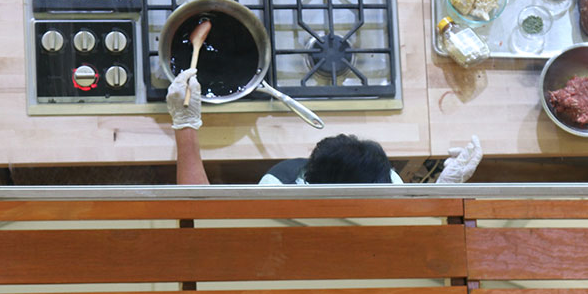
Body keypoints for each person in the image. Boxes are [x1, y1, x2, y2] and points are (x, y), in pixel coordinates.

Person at [166, 70, 482, 185]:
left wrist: (185, 124)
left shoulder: (277, 189)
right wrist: (445, 188)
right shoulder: (388, 190)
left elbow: (199, 214)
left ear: (308, 177)